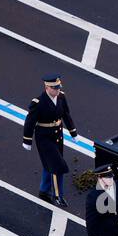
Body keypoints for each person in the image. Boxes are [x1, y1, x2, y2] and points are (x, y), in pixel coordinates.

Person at [21, 73, 77, 207]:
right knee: (58, 166)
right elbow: (30, 122)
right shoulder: (38, 103)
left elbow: (66, 115)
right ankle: (58, 195)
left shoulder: (61, 97)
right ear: (47, 87)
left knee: (49, 165)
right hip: (44, 138)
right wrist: (27, 140)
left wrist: (73, 132)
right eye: (55, 88)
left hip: (58, 136)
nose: (58, 90)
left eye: (58, 87)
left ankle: (44, 190)